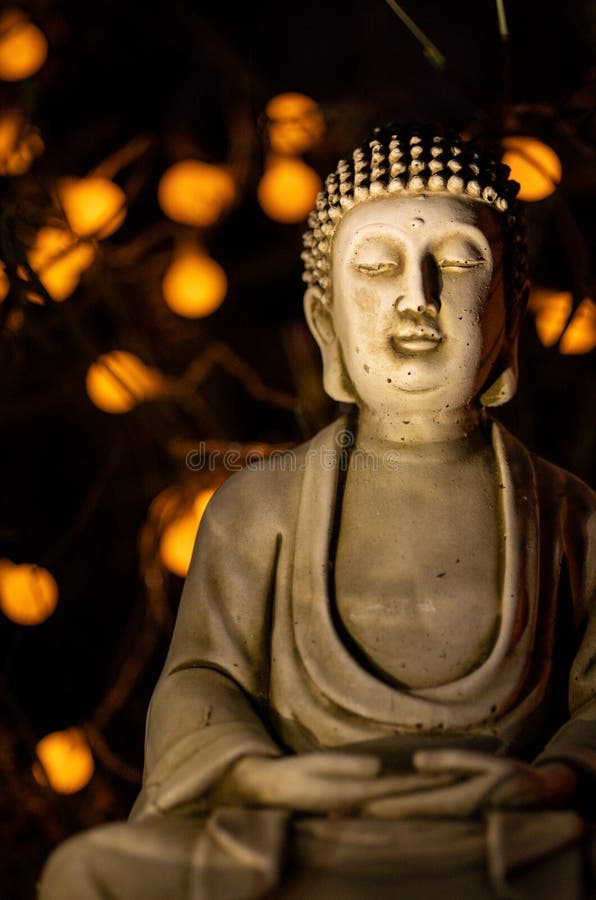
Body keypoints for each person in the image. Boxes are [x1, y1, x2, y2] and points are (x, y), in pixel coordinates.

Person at [39, 124, 596, 900]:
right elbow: (203, 681)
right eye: (375, 266)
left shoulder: (571, 516)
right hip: (298, 834)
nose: (417, 297)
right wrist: (265, 777)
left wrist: (550, 781)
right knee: (87, 875)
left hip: (502, 837)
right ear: (326, 321)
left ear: (509, 315)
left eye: (459, 261)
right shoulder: (257, 505)